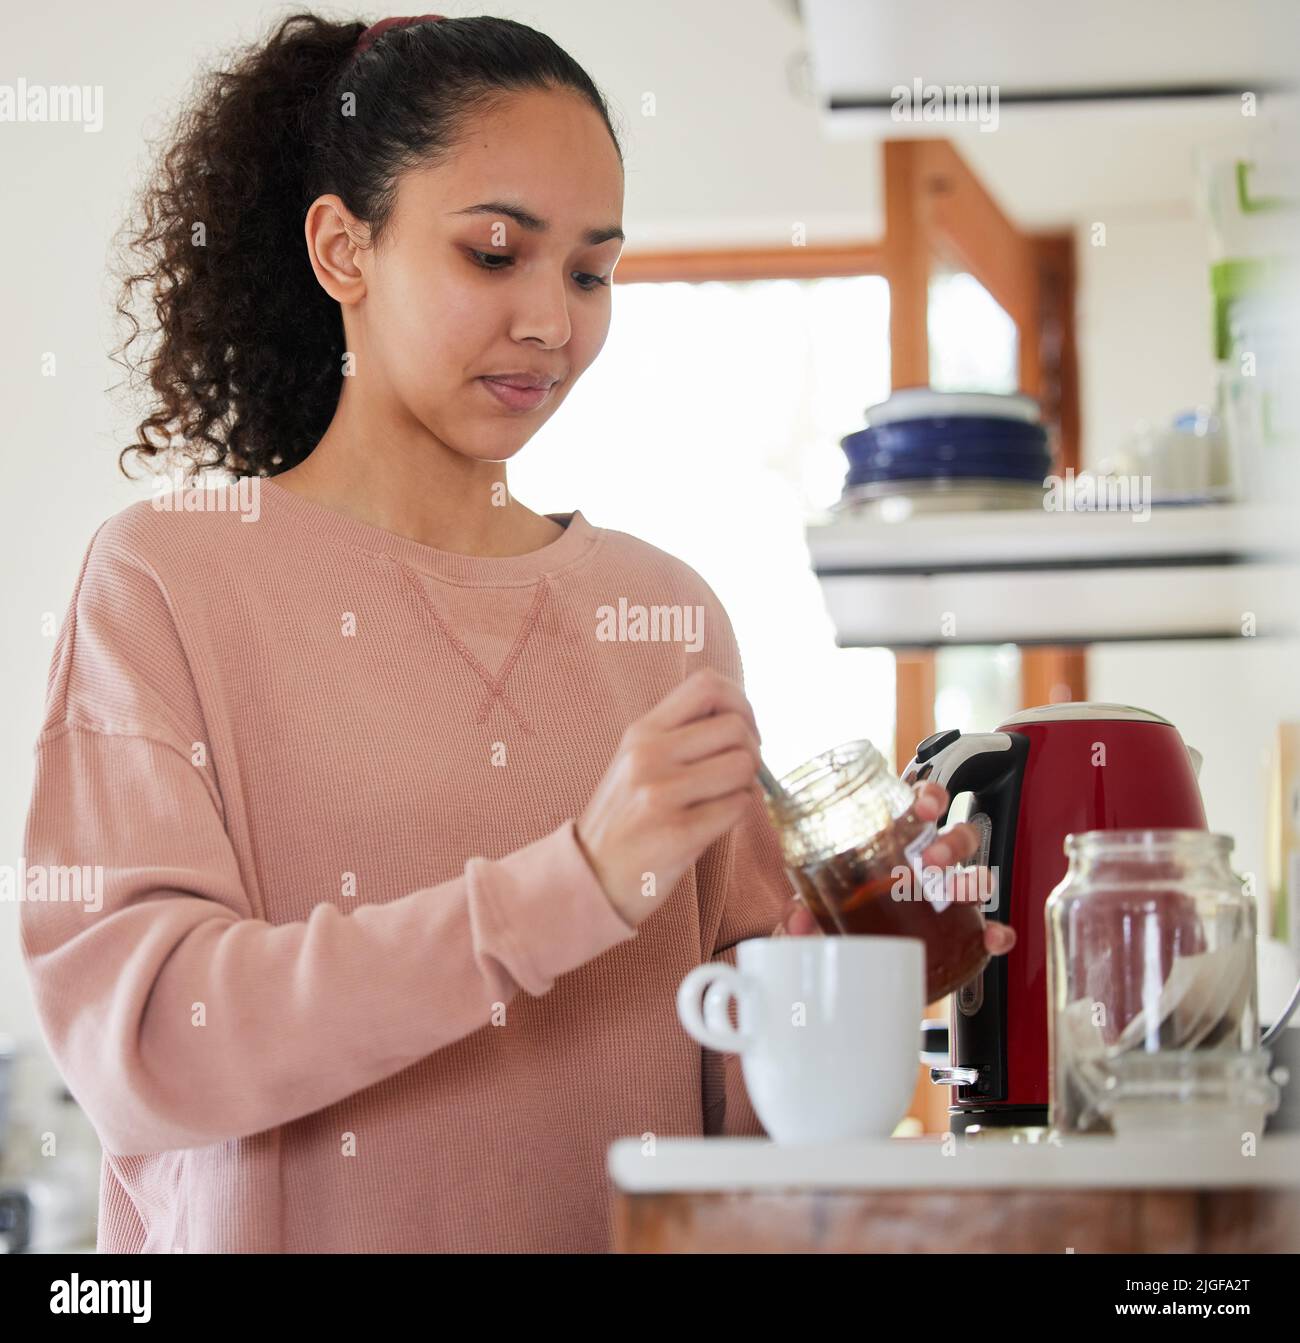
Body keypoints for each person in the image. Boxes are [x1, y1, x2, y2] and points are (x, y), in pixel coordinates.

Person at [19, 12, 1013, 1254]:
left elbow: (735, 1141)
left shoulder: (667, 620)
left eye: (590, 272)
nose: (553, 319)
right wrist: (580, 880)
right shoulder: (170, 579)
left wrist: (841, 989)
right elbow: (155, 1044)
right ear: (344, 248)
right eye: (495, 253)